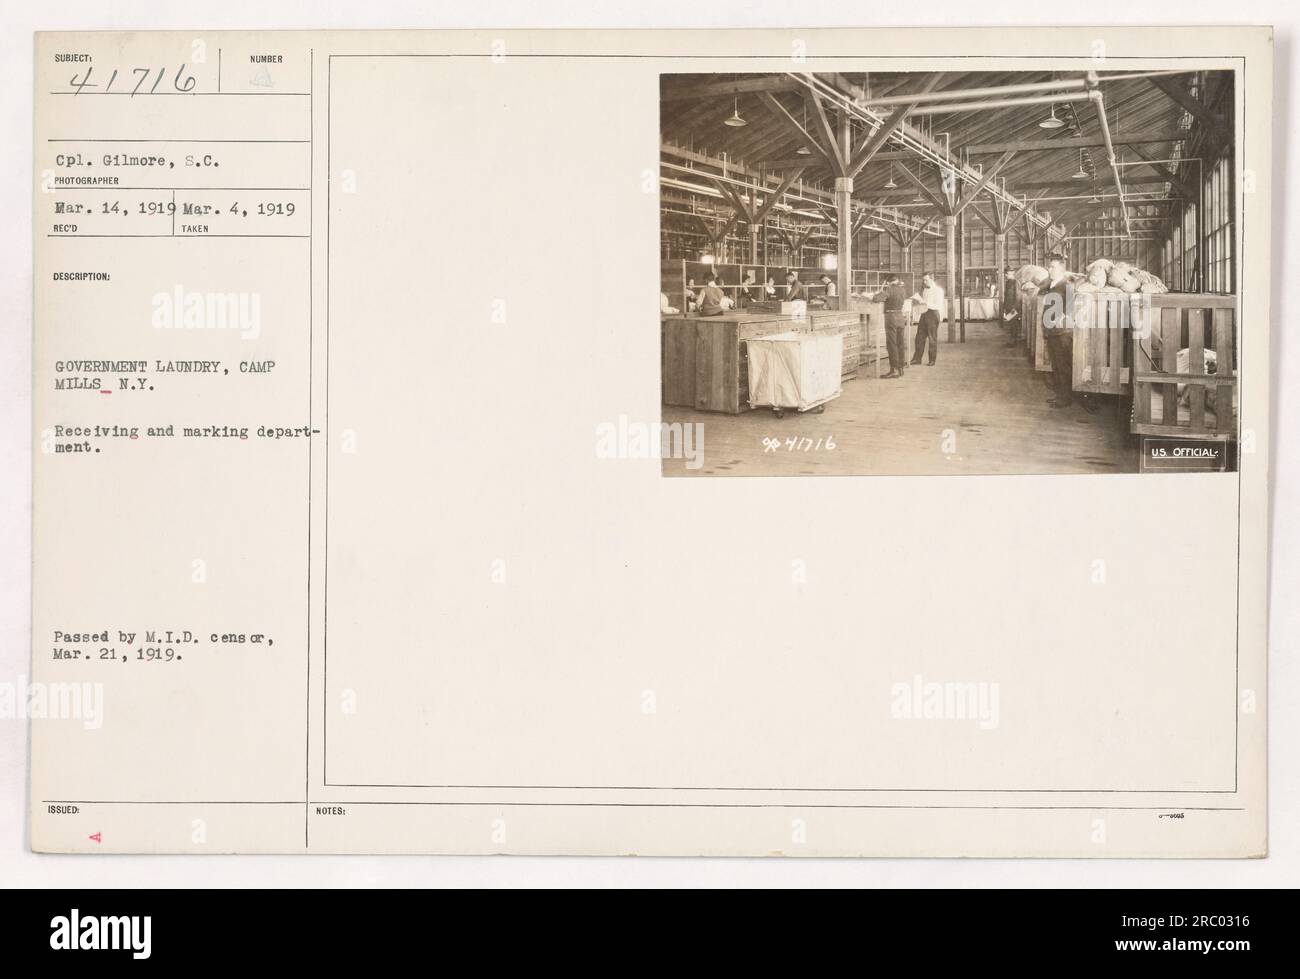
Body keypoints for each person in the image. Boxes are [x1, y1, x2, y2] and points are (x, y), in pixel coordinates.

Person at [1041, 254, 1075, 408]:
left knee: (1063, 366)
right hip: (1052, 332)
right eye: (1049, 266)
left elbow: (1071, 309)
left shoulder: (1066, 285)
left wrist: (1061, 319)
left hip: (1061, 333)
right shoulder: (1052, 285)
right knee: (1056, 366)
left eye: (1053, 267)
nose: (1049, 269)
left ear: (1061, 268)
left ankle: (1065, 399)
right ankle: (1059, 395)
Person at [870, 275, 909, 378]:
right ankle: (900, 368)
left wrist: (878, 293)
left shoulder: (889, 289)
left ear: (888, 282)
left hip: (891, 317)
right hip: (900, 317)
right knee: (900, 343)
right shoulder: (902, 289)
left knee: (892, 344)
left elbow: (876, 299)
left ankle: (894, 370)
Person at [908, 272, 945, 367]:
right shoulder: (925, 290)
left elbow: (938, 305)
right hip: (924, 314)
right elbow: (923, 304)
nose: (924, 282)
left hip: (933, 314)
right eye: (923, 280)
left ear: (932, 279)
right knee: (919, 337)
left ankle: (932, 360)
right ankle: (917, 359)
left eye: (926, 280)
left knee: (932, 338)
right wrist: (918, 303)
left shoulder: (938, 290)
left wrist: (925, 303)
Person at [1001, 266, 1021, 346]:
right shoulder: (1008, 283)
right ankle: (1012, 340)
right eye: (1006, 273)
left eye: (1008, 273)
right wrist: (1005, 308)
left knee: (1014, 324)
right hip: (1008, 307)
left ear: (1013, 273)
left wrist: (1015, 309)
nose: (1006, 275)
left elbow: (1018, 296)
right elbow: (1006, 296)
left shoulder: (1016, 283)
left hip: (1014, 307)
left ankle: (1013, 341)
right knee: (1010, 324)